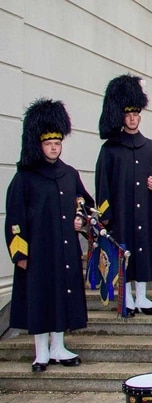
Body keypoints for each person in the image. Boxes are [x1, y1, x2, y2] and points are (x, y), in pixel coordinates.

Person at [6, 98, 92, 372]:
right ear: (38, 145)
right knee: (40, 298)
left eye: (57, 144)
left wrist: (83, 220)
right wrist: (19, 252)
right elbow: (15, 219)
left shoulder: (69, 174)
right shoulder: (25, 178)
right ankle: (40, 351)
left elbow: (86, 205)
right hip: (38, 251)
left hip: (65, 250)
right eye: (48, 144)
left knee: (62, 297)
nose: (54, 148)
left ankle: (59, 346)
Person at [95, 74, 152, 317]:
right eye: (128, 114)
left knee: (144, 252)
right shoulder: (110, 150)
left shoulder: (150, 147)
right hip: (121, 212)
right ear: (121, 116)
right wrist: (105, 216)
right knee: (124, 253)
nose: (133, 118)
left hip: (145, 212)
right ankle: (125, 297)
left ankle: (143, 296)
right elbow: (102, 184)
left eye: (136, 113)